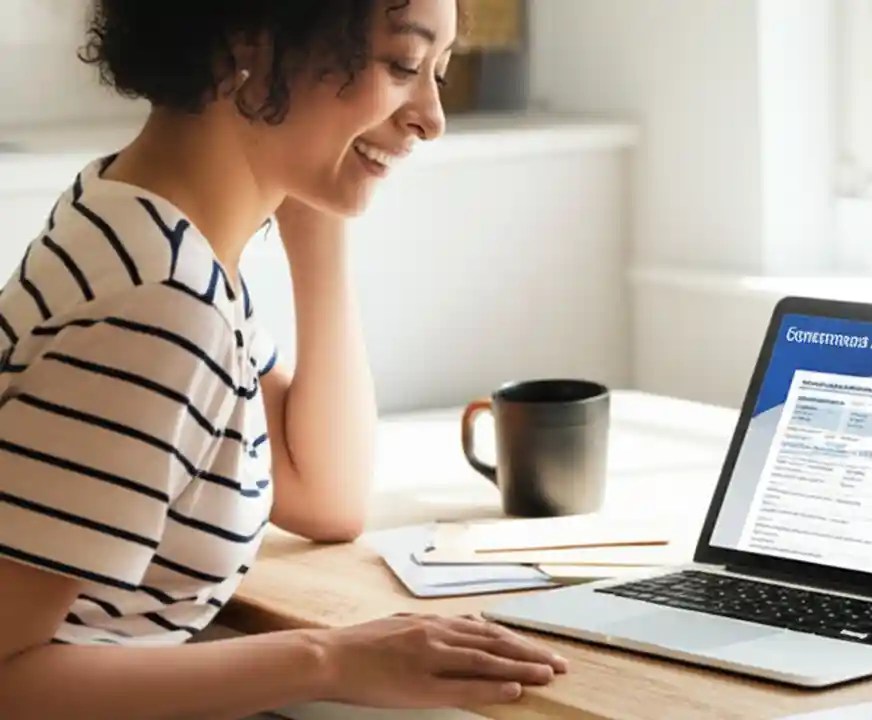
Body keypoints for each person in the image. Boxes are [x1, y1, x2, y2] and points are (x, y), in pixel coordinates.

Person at [0, 1, 569, 717]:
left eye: (439, 74)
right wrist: (325, 661)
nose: (431, 116)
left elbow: (325, 495)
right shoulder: (160, 305)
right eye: (402, 65)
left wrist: (318, 216)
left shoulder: (145, 226)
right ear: (255, 43)